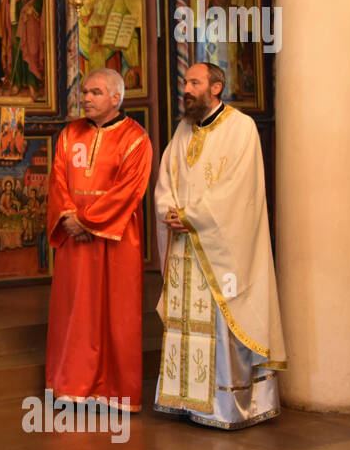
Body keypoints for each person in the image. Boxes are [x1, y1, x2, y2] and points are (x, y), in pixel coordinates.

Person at [153, 62, 286, 429]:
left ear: (216, 87)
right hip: (184, 247)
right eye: (185, 81)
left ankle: (228, 405)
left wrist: (193, 215)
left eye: (194, 82)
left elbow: (239, 190)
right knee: (188, 324)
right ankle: (186, 400)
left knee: (223, 321)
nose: (187, 88)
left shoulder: (241, 128)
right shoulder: (183, 129)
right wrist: (169, 211)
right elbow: (165, 179)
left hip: (222, 249)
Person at [45, 67, 152, 412]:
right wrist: (69, 217)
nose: (85, 98)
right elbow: (58, 179)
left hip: (116, 239)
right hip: (75, 240)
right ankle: (72, 384)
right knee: (75, 311)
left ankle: (114, 391)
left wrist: (88, 221)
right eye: (84, 91)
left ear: (116, 98)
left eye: (94, 93)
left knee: (115, 313)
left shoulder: (136, 138)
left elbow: (130, 190)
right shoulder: (69, 134)